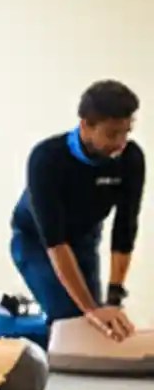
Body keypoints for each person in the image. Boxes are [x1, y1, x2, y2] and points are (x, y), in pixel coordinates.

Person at [10, 80, 143, 341]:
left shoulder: (131, 158)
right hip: (36, 241)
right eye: (112, 134)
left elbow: (125, 229)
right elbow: (55, 241)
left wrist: (113, 299)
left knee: (96, 328)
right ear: (85, 125)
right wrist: (92, 309)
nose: (121, 143)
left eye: (126, 132)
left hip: (84, 238)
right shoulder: (47, 158)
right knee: (71, 324)